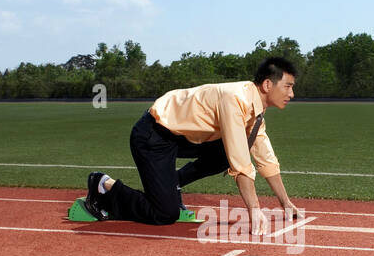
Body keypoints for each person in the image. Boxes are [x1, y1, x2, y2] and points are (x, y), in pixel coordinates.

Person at [77, 55, 300, 234]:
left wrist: (286, 203)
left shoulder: (255, 114)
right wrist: (254, 209)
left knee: (227, 153)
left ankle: (173, 183)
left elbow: (265, 159)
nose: (291, 93)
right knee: (164, 214)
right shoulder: (235, 99)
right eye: (288, 86)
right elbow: (241, 162)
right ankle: (103, 184)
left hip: (181, 137)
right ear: (268, 84)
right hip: (153, 135)